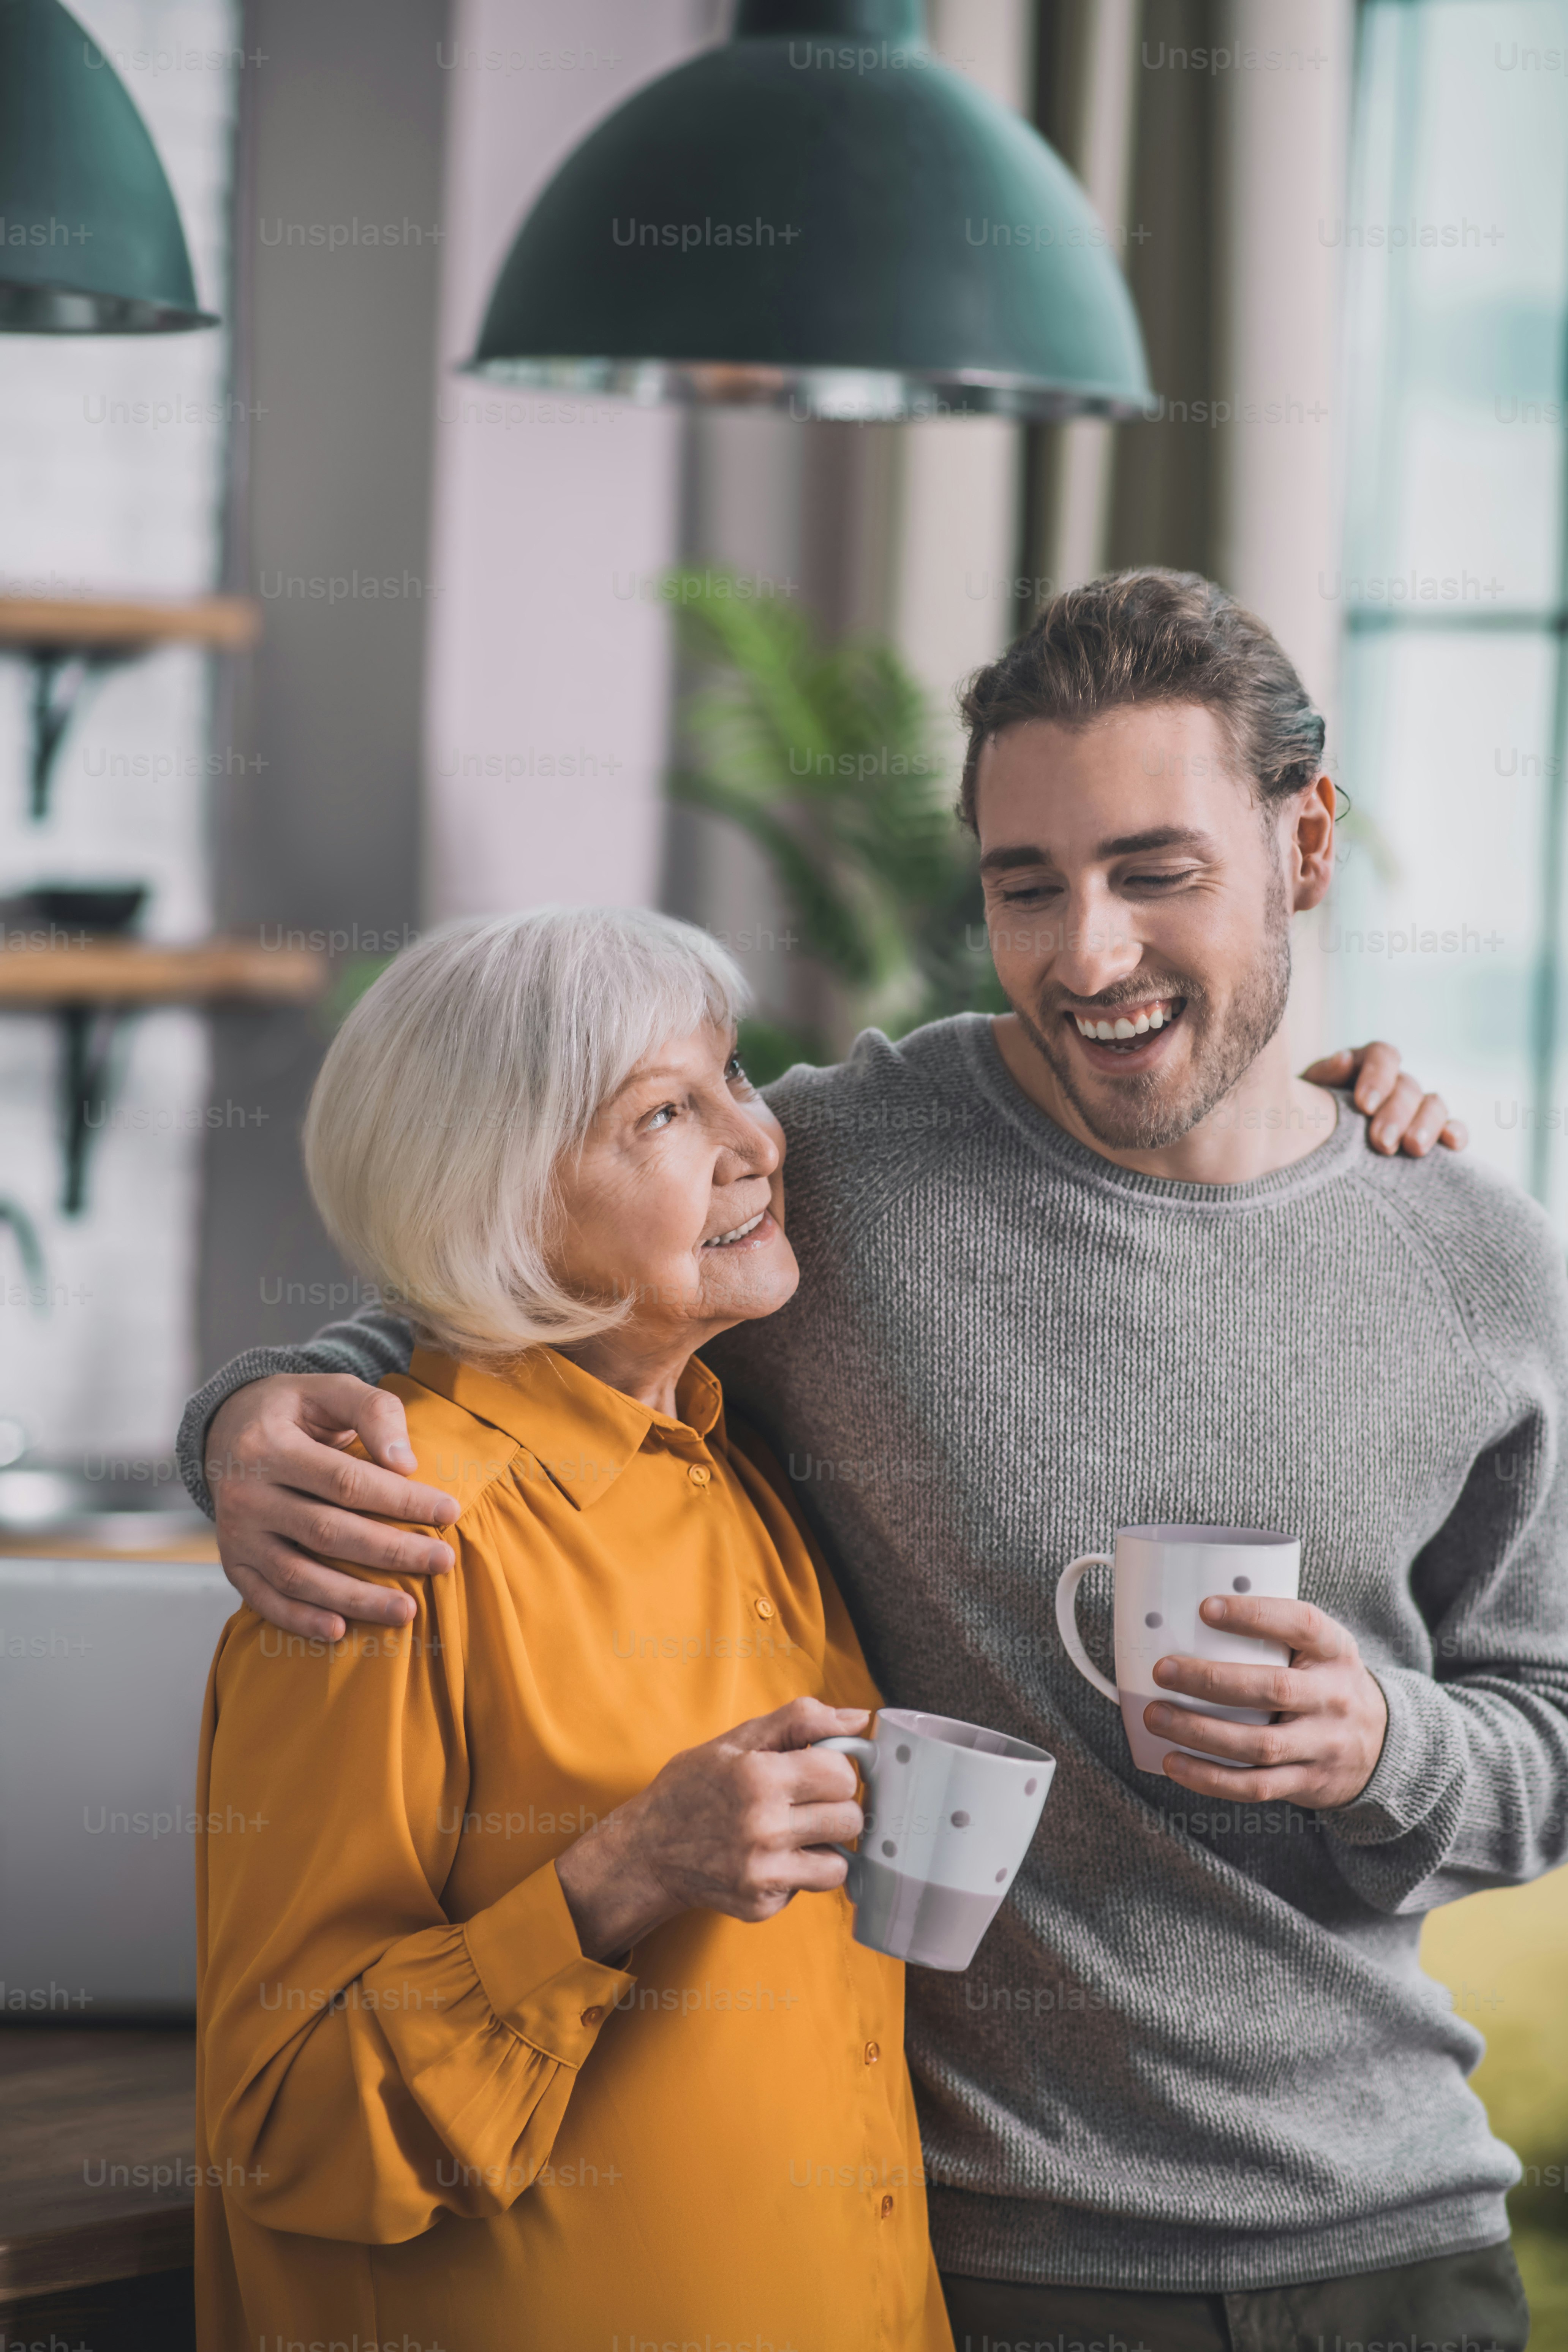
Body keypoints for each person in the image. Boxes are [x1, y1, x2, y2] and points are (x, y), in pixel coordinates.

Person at [179, 571, 1562, 2350]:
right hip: (982, 2254)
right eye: (1025, 884)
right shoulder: (834, 1177)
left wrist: (1396, 1745)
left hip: (1397, 2232)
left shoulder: (1470, 1251)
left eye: (1157, 872)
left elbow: (1550, 1720)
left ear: (1305, 844)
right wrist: (247, 1414)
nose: (1087, 953)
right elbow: (515, 1279)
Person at [192, 907, 954, 2351]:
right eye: (666, 1113)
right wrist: (621, 1878)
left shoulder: (740, 1485)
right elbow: (290, 2136)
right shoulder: (388, 1544)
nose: (758, 1142)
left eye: (734, 1076)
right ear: (497, 1201)